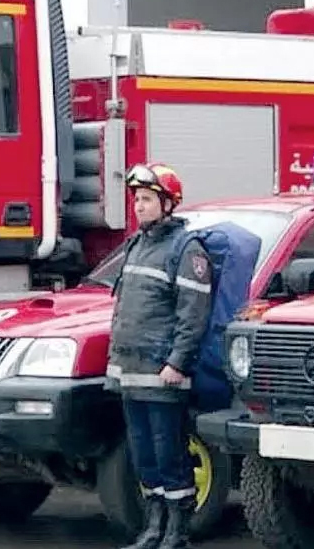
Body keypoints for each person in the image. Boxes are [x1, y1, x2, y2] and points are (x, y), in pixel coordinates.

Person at [106, 163, 213, 549]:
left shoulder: (186, 250)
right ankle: (153, 525)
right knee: (143, 454)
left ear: (169, 204)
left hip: (163, 375)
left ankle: (177, 530)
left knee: (170, 453)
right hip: (131, 373)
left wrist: (177, 363)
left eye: (147, 199)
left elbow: (193, 314)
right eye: (137, 199)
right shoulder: (137, 244)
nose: (139, 206)